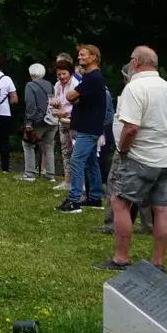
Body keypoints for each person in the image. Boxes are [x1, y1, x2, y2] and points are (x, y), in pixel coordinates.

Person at [99, 45, 167, 272]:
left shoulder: (135, 88)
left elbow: (130, 128)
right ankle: (158, 263)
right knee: (161, 208)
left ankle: (121, 258)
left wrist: (124, 151)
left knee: (120, 202)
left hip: (140, 157)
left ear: (136, 61)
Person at [60, 43, 109, 213]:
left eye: (83, 55)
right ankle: (95, 197)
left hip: (88, 128)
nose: (79, 57)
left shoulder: (93, 78)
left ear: (93, 57)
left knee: (77, 160)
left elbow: (71, 96)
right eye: (79, 55)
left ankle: (74, 200)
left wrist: (72, 96)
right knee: (90, 162)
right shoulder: (92, 78)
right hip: (91, 126)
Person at [21, 63, 55, 182]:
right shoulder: (50, 84)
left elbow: (30, 104)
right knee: (48, 146)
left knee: (28, 144)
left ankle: (29, 173)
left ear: (31, 74)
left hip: (38, 120)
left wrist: (29, 122)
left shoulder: (30, 85)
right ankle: (50, 174)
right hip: (51, 119)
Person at [49, 55, 76, 190]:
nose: (61, 76)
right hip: (62, 121)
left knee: (77, 152)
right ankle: (67, 180)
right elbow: (59, 102)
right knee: (65, 151)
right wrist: (55, 103)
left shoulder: (76, 83)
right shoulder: (57, 85)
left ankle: (79, 183)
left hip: (75, 121)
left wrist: (66, 113)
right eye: (59, 74)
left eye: (64, 73)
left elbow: (79, 105)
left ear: (70, 72)